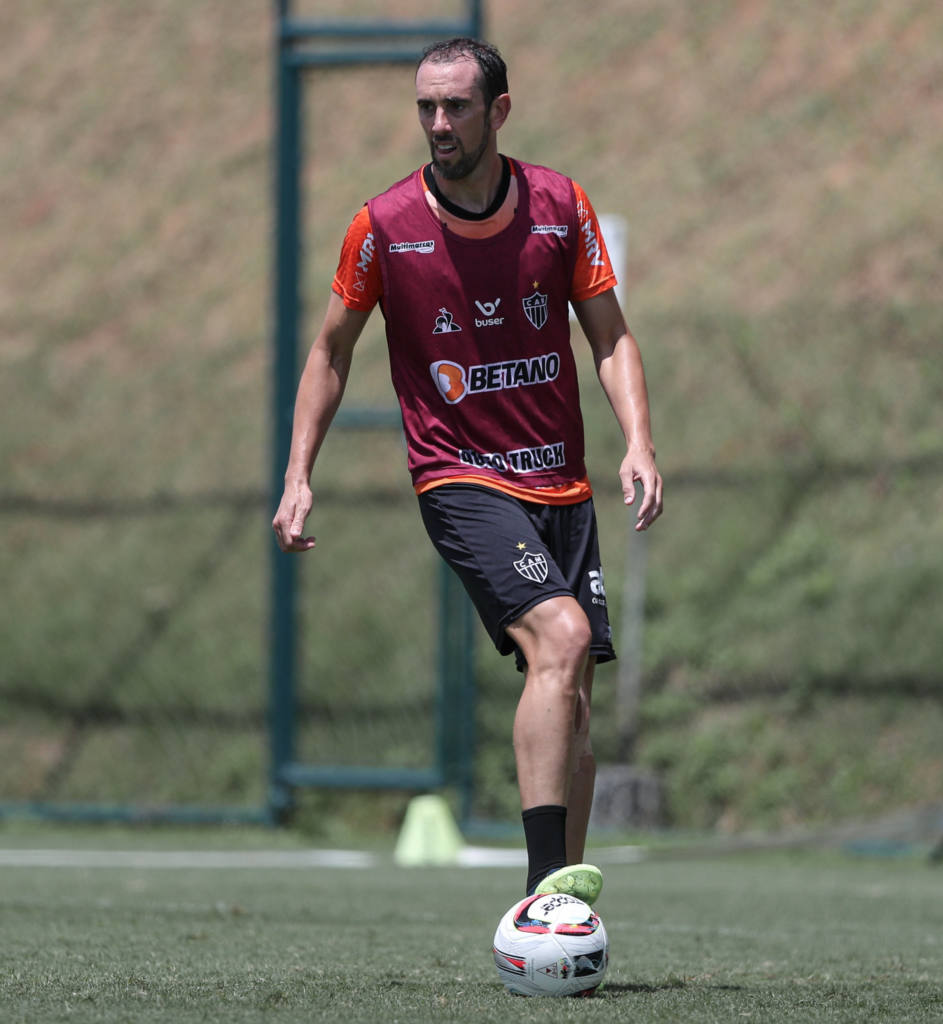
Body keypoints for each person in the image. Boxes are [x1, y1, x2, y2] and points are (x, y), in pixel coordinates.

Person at [272, 37, 663, 904]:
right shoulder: (382, 226)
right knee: (560, 638)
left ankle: (563, 908)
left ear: (499, 111)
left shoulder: (560, 206)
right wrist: (299, 473)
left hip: (561, 481)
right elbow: (330, 352)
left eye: (455, 106)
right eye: (426, 106)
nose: (438, 123)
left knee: (574, 698)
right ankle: (542, 889)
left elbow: (610, 337)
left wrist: (638, 440)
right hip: (460, 476)